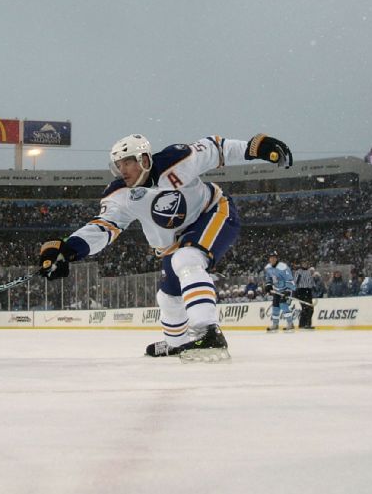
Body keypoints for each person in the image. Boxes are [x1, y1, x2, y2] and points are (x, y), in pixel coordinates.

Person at [36, 132, 292, 362]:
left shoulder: (176, 159)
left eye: (128, 162)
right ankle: (176, 343)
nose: (122, 170)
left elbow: (216, 149)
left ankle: (208, 332)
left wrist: (252, 148)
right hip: (174, 243)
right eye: (119, 164)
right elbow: (104, 226)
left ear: (144, 160)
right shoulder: (119, 195)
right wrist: (68, 250)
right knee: (168, 296)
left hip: (213, 213)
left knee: (187, 260)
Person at [264, 252, 295, 331]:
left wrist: (288, 290)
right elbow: (268, 278)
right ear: (269, 259)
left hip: (286, 289)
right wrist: (268, 285)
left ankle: (290, 323)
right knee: (275, 306)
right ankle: (275, 324)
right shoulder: (268, 268)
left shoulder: (283, 267)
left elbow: (289, 278)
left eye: (274, 257)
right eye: (271, 257)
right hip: (277, 290)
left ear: (276, 258)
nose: (272, 259)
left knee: (283, 305)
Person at [293, 262, 316, 329]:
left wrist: (314, 288)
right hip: (301, 291)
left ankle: (305, 324)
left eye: (306, 263)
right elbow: (295, 282)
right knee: (306, 308)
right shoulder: (298, 272)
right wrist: (295, 292)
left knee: (310, 309)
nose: (305, 265)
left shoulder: (309, 272)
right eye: (303, 263)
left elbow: (311, 282)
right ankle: (305, 324)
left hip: (308, 291)